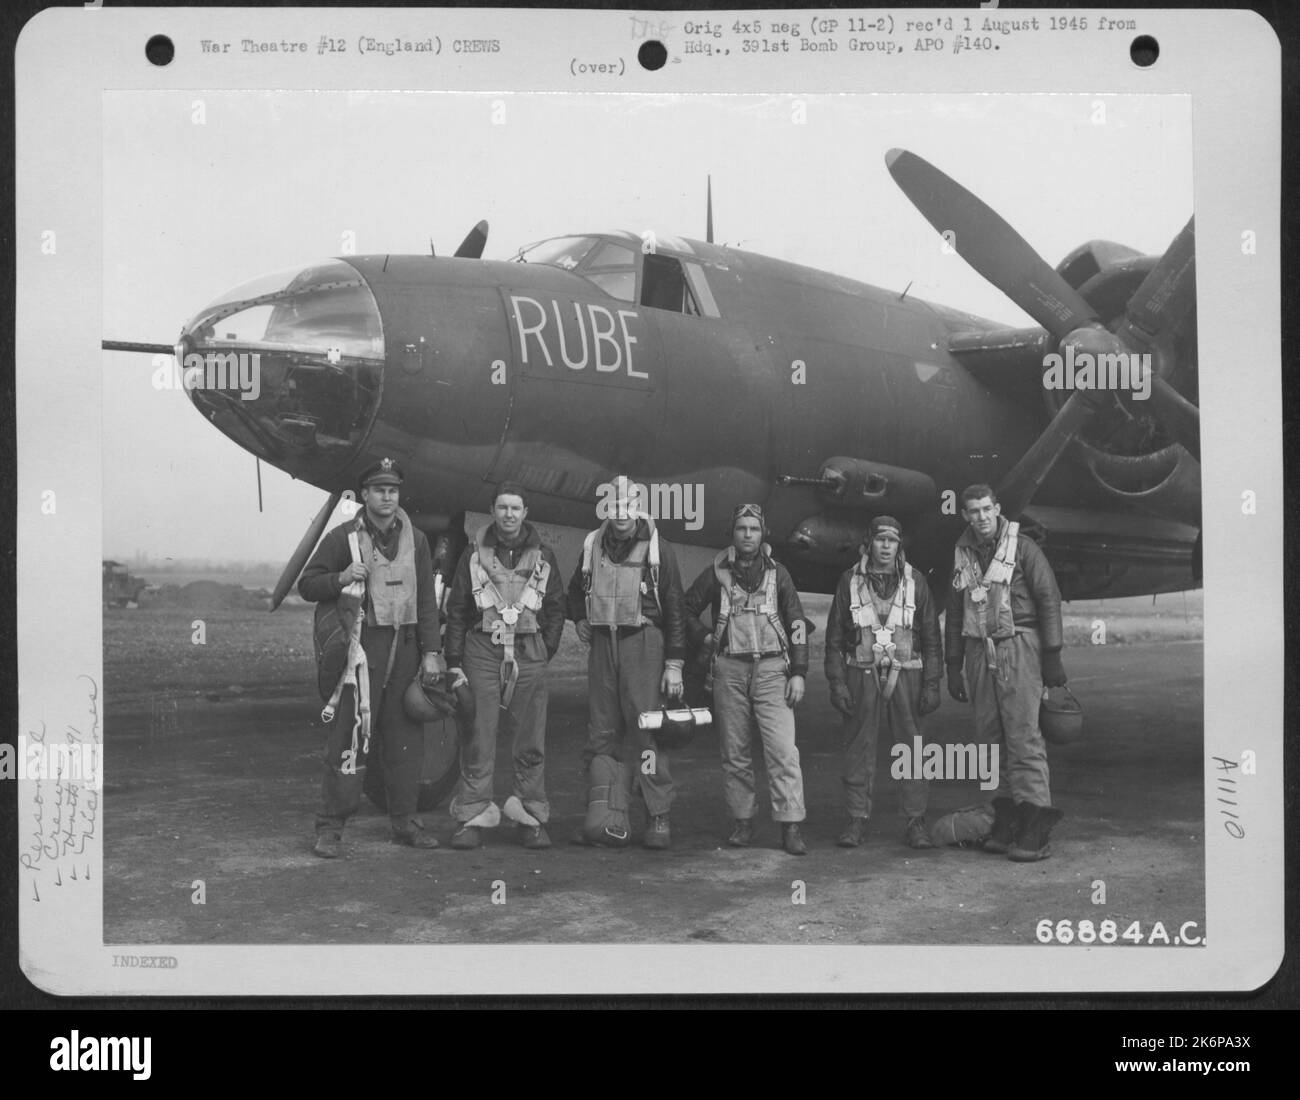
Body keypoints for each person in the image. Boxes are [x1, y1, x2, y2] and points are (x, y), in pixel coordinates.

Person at [300, 458, 446, 857]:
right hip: (360, 653)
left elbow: (427, 600)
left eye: (393, 489)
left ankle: (406, 822)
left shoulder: (416, 539)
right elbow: (308, 584)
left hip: (406, 648)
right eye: (379, 489)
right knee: (349, 737)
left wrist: (432, 652)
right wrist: (341, 578)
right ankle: (330, 827)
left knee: (406, 742)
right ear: (364, 494)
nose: (387, 496)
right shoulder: (342, 537)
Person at [945, 484, 1066, 861]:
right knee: (988, 738)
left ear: (997, 508)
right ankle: (1004, 820)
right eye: (973, 511)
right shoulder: (962, 554)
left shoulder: (1025, 548)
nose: (981, 517)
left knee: (1023, 736)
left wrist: (1052, 656)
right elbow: (954, 611)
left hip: (1019, 645)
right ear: (964, 515)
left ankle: (1035, 829)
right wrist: (953, 664)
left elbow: (1048, 598)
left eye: (986, 509)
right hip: (978, 649)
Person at [443, 483, 566, 850]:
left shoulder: (545, 556)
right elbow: (458, 610)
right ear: (492, 511)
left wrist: (546, 648)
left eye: (515, 508)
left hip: (529, 650)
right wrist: (453, 661)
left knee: (530, 737)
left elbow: (557, 607)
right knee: (478, 733)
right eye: (502, 508)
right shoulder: (472, 555)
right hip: (482, 649)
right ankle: (472, 815)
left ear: (525, 512)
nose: (509, 515)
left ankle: (530, 815)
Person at [567, 477, 687, 850]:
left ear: (638, 505)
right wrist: (580, 619)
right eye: (613, 504)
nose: (620, 511)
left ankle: (657, 814)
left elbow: (676, 609)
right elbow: (574, 591)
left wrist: (674, 664)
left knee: (646, 730)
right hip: (604, 644)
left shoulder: (657, 549)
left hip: (643, 643)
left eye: (627, 503)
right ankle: (606, 816)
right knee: (602, 733)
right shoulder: (592, 545)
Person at [684, 504, 811, 855]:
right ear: (733, 533)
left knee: (783, 752)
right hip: (729, 670)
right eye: (741, 528)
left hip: (772, 670)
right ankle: (742, 821)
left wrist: (798, 673)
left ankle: (790, 824)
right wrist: (704, 638)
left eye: (754, 529)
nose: (747, 535)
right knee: (735, 751)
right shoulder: (715, 573)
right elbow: (685, 609)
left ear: (763, 533)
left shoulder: (778, 574)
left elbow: (797, 623)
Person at [825, 515, 942, 850]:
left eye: (892, 540)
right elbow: (834, 637)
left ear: (899, 544)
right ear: (869, 543)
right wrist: (837, 683)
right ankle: (856, 818)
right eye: (880, 540)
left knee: (913, 748)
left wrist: (932, 683)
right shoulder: (849, 580)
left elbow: (932, 638)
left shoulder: (916, 582)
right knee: (858, 747)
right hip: (861, 672)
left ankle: (916, 820)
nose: (886, 547)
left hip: (908, 672)